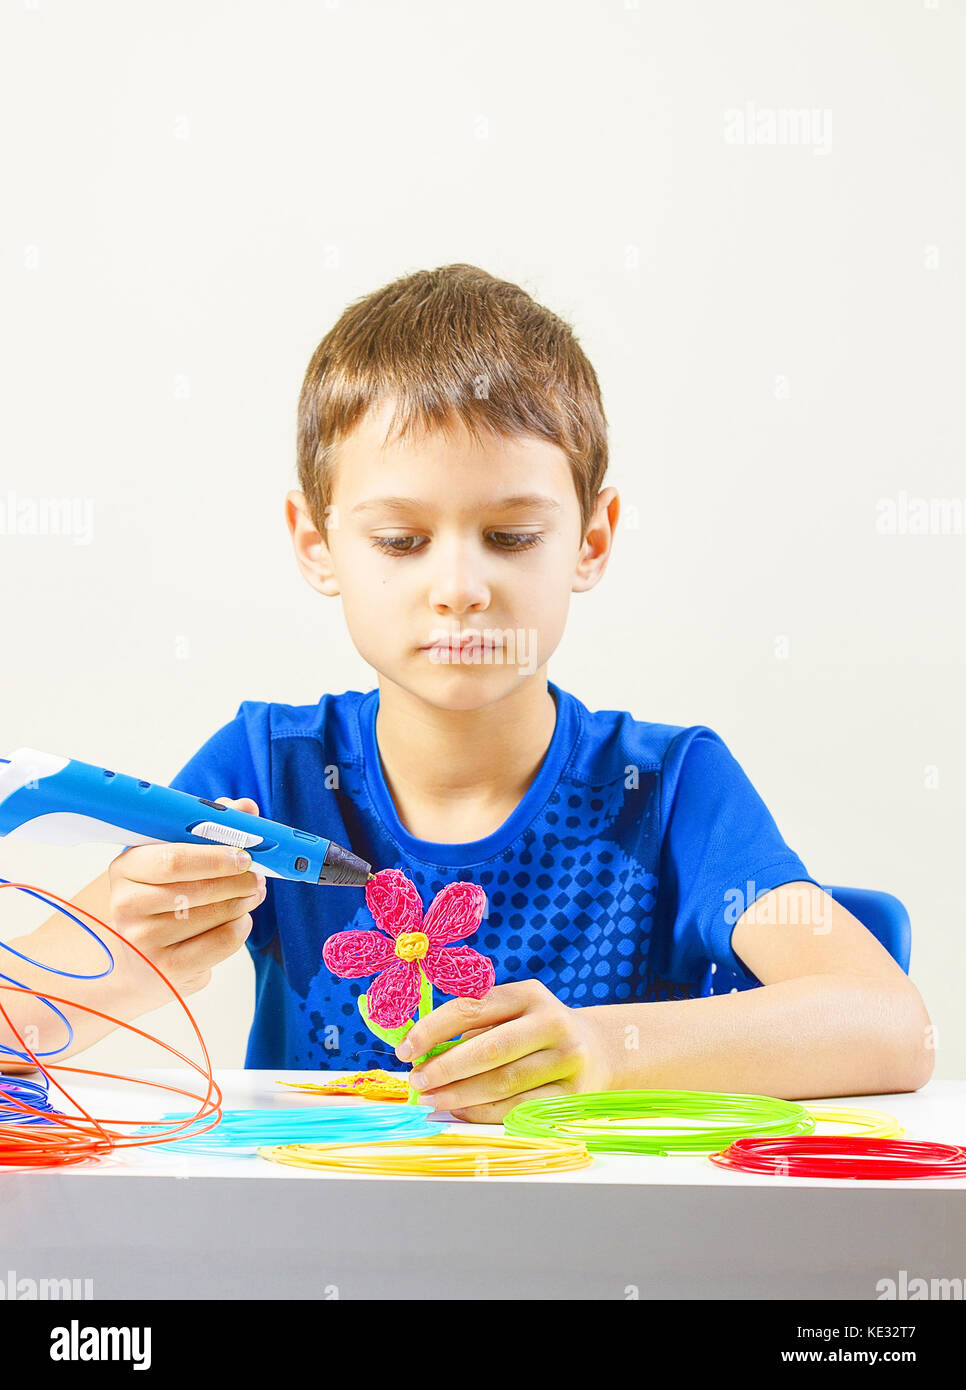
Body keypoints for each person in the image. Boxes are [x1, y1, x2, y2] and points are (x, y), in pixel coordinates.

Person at [3, 264, 933, 1121]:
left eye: (512, 536)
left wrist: (603, 1049)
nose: (459, 587)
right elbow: (15, 1040)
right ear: (315, 542)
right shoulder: (269, 770)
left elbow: (892, 1026)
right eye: (402, 541)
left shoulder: (671, 787)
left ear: (593, 539)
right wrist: (119, 958)